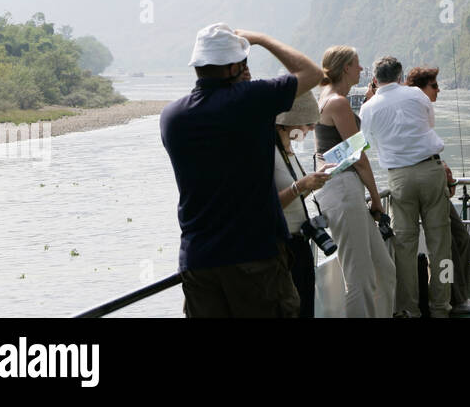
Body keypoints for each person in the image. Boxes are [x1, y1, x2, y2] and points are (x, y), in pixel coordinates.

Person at [160, 24, 321, 317]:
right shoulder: (251, 99)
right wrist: (261, 38)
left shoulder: (172, 117)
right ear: (234, 66)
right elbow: (313, 74)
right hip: (254, 257)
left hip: (198, 261)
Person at [360, 55, 452, 318]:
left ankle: (408, 309)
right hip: (430, 170)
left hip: (399, 178)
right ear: (400, 76)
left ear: (375, 80)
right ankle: (441, 307)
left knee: (405, 248)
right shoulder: (416, 95)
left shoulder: (369, 107)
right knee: (440, 246)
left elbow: (362, 144)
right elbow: (429, 123)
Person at [315, 46, 395, 317]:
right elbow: (358, 157)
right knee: (360, 278)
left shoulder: (331, 99)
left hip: (342, 189)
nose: (362, 69)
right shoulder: (337, 102)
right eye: (358, 64)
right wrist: (375, 198)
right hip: (344, 189)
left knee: (384, 268)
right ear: (345, 68)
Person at [407, 65, 470, 315]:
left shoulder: (421, 112)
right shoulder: (415, 111)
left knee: (458, 239)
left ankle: (458, 295)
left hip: (433, 180)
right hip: (428, 185)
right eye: (434, 85)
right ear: (420, 89)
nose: (438, 90)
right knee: (446, 245)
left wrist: (442, 166)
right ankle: (451, 298)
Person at [272, 90, 333, 317]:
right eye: (308, 124)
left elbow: (293, 195)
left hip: (300, 241)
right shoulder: (268, 153)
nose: (311, 130)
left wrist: (310, 184)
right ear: (289, 123)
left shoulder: (289, 150)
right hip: (283, 246)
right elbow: (266, 206)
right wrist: (301, 186)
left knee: (306, 307)